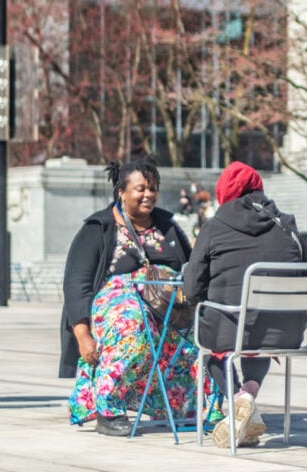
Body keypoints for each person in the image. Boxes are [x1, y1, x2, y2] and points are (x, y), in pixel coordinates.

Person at [60, 156, 206, 436]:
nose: (148, 194)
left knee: (199, 342)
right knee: (134, 328)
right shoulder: (98, 229)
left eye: (153, 188)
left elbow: (190, 269)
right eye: (140, 188)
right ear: (121, 193)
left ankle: (194, 406)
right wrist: (82, 335)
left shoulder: (169, 227)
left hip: (166, 309)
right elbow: (76, 284)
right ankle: (109, 409)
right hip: (119, 310)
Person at [184, 161, 307, 449]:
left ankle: (238, 399)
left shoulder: (213, 227)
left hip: (231, 329)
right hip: (288, 332)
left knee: (207, 343)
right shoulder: (287, 223)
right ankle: (249, 396)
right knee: (259, 333)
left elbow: (192, 290)